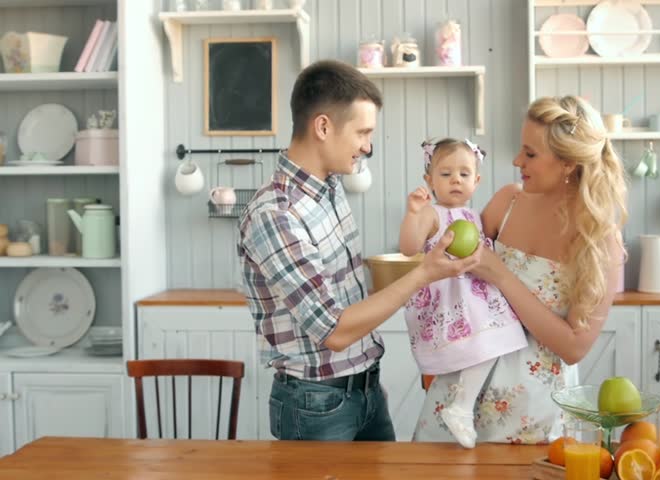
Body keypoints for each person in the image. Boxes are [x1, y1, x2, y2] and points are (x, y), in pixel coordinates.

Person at [237, 60, 479, 442]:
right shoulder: (275, 214)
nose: (368, 146)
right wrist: (424, 274)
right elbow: (334, 331)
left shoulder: (330, 187)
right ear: (323, 127)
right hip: (316, 404)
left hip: (364, 390)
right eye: (363, 132)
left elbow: (346, 292)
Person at [413, 95, 628, 444]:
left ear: (568, 163)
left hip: (532, 415)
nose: (517, 161)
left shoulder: (598, 241)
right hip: (458, 396)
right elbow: (456, 274)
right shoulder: (508, 202)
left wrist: (500, 274)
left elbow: (574, 347)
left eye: (530, 154)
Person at [398, 138, 528, 448]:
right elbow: (409, 247)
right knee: (477, 346)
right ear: (430, 180)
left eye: (464, 174)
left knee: (497, 340)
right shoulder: (432, 214)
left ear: (476, 181)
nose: (456, 180)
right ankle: (461, 406)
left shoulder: (473, 217)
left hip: (475, 292)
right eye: (445, 174)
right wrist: (413, 213)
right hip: (450, 295)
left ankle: (462, 406)